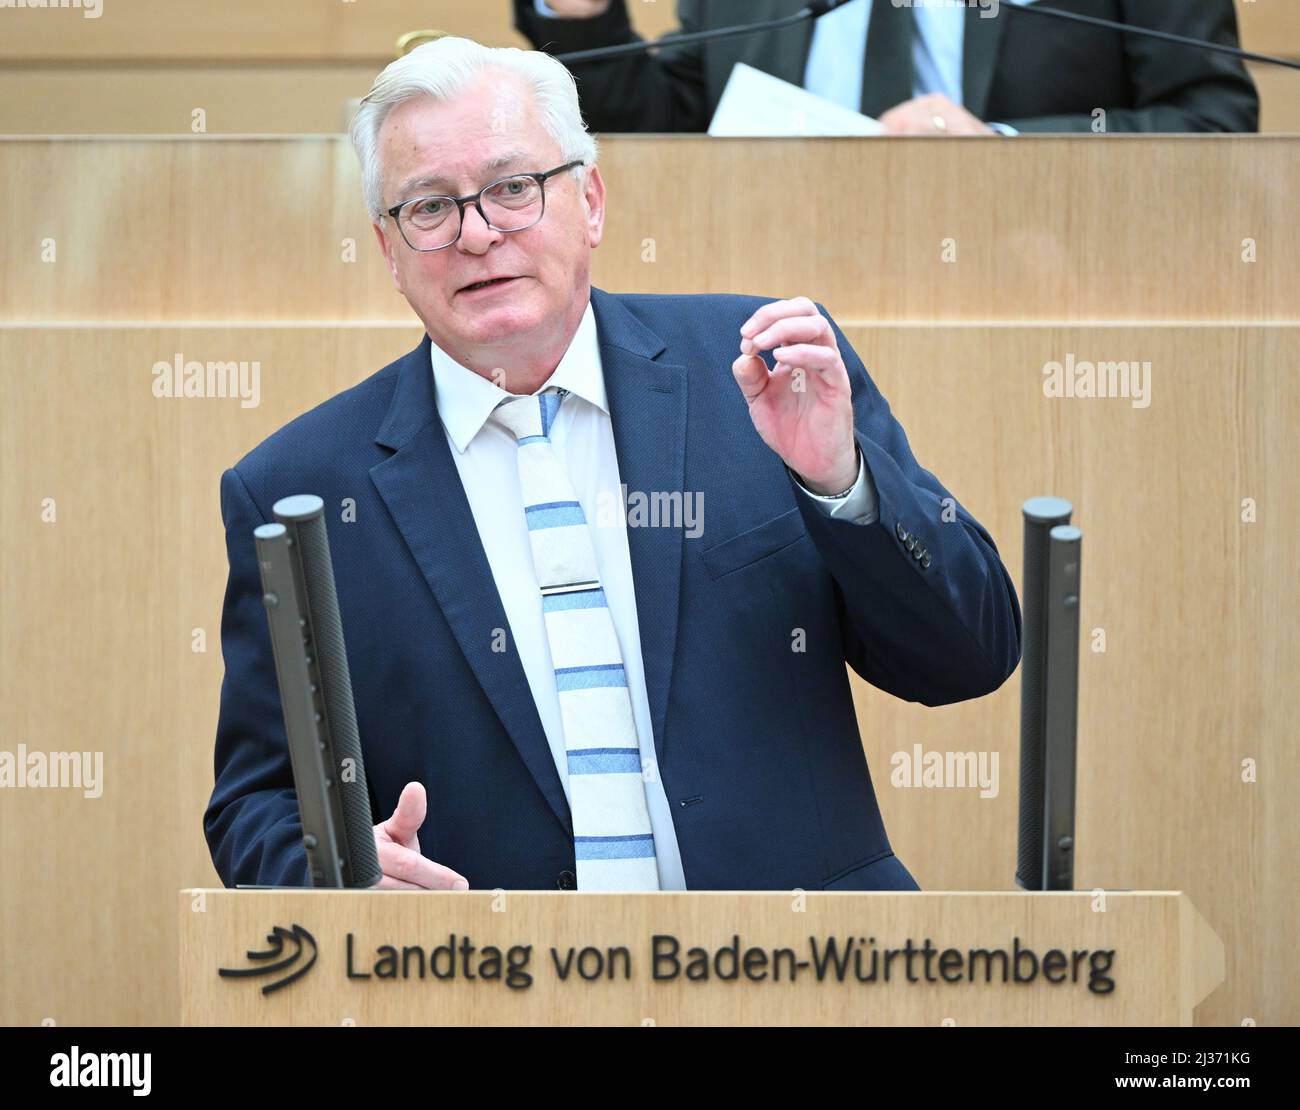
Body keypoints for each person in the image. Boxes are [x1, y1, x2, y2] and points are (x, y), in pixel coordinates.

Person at [204, 36, 1022, 893]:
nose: (479, 234)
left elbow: (970, 657)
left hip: (800, 974)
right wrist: (346, 874)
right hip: (494, 993)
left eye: (514, 188)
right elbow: (256, 803)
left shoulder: (759, 367)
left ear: (590, 200)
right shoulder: (300, 488)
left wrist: (841, 482)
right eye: (430, 208)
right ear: (388, 250)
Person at [515, 0, 1259, 134]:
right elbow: (676, 118)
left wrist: (1002, 149)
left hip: (1043, 290)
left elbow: (1209, 119)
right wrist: (579, 17)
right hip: (772, 314)